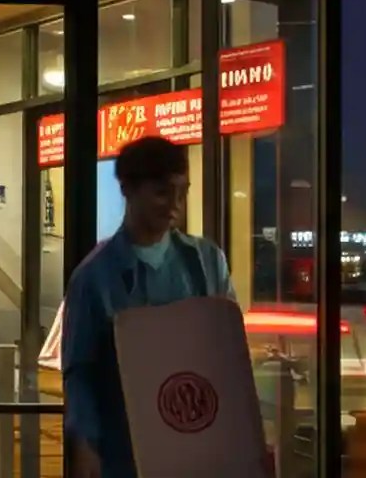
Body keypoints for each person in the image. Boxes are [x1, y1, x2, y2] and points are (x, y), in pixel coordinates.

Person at [62, 136, 236, 478]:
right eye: (161, 191)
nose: (174, 204)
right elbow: (80, 372)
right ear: (127, 189)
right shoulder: (94, 277)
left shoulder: (206, 261)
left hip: (197, 443)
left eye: (182, 192)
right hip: (124, 449)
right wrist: (85, 446)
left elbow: (228, 352)